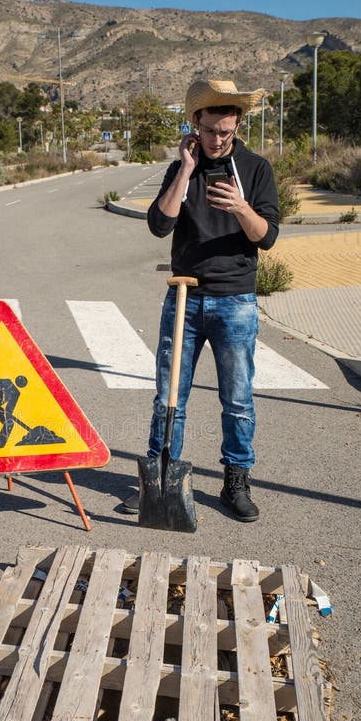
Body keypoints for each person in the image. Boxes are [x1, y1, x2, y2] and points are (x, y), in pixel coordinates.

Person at [123, 78, 279, 521]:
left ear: (238, 125)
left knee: (238, 400)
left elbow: (267, 237)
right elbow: (159, 225)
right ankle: (159, 478)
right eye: (209, 130)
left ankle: (236, 482)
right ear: (196, 123)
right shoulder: (182, 168)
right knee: (169, 397)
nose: (217, 140)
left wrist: (241, 208)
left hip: (235, 300)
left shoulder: (256, 169)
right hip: (184, 298)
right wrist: (186, 170)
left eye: (225, 132)